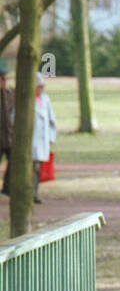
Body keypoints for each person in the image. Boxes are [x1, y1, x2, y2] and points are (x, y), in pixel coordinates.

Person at [29, 73, 56, 203]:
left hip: (42, 140)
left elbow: (52, 120)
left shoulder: (45, 99)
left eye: (42, 86)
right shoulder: (27, 99)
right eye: (39, 86)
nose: (41, 89)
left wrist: (51, 137)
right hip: (31, 141)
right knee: (31, 168)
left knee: (38, 169)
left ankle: (34, 192)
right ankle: (29, 193)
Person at [0, 60, 14, 196]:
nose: (4, 81)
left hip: (10, 136)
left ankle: (7, 188)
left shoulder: (12, 93)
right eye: (2, 78)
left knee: (13, 164)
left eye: (5, 78)